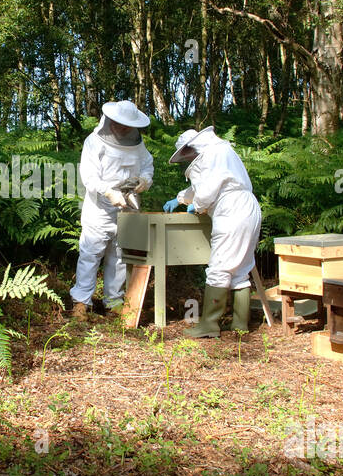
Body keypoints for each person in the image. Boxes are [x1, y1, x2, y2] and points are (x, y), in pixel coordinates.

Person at [162, 126, 262, 337]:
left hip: (231, 211)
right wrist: (180, 198)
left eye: (187, 154)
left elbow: (205, 193)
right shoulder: (223, 151)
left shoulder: (209, 156)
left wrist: (196, 205)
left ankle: (209, 324)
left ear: (192, 148)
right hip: (249, 207)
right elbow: (207, 185)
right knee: (240, 270)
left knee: (218, 269)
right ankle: (240, 325)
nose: (187, 159)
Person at [70, 100, 154, 318]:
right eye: (119, 123)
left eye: (128, 124)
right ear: (111, 120)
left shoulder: (138, 143)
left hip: (128, 207)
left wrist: (145, 180)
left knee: (119, 256)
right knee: (90, 254)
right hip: (99, 209)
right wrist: (108, 191)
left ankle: (113, 301)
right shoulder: (94, 142)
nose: (123, 128)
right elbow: (89, 176)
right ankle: (81, 302)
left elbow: (147, 164)